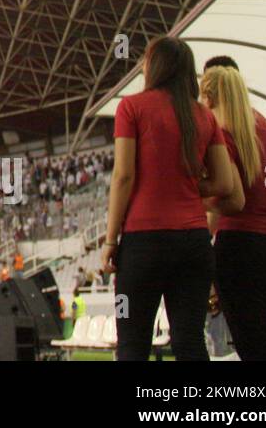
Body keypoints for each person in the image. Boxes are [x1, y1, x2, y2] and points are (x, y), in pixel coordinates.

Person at [103, 36, 240, 361]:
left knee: (132, 342)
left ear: (156, 66)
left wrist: (110, 241)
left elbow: (123, 176)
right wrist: (187, 184)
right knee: (190, 342)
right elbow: (223, 182)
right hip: (193, 244)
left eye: (145, 60)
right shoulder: (204, 116)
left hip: (142, 246)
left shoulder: (131, 107)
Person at [202, 64, 266, 360]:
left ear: (208, 98)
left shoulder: (224, 136)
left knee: (256, 350)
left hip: (242, 250)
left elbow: (233, 200)